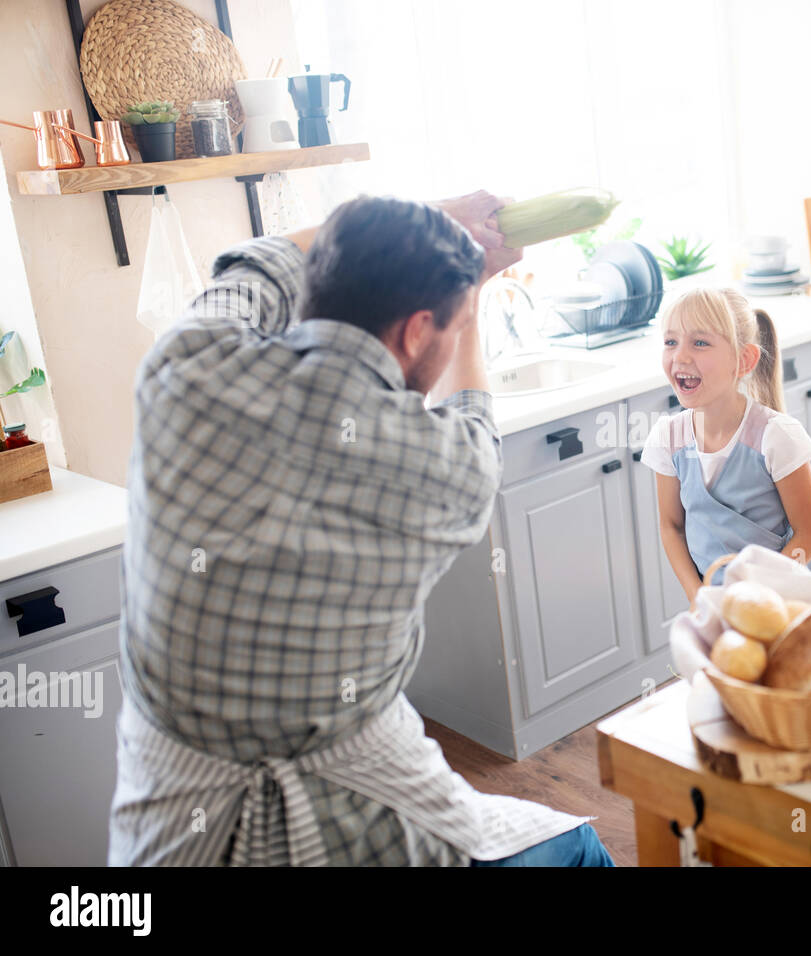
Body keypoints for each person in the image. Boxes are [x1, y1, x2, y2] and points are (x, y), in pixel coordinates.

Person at [109, 191, 613, 867]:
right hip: (358, 816)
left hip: (167, 827)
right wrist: (472, 294)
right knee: (576, 847)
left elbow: (261, 265)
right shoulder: (450, 469)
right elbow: (472, 414)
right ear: (415, 332)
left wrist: (420, 214)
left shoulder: (183, 367)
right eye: (450, 323)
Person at [638, 287, 811, 601]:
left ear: (744, 360)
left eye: (700, 343)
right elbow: (671, 526)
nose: (680, 356)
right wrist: (697, 595)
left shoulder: (776, 437)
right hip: (719, 605)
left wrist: (761, 595)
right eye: (671, 342)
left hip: (785, 599)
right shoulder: (667, 439)